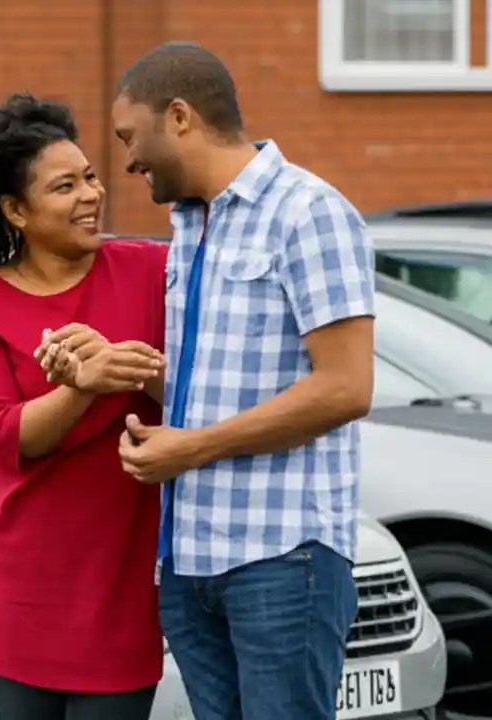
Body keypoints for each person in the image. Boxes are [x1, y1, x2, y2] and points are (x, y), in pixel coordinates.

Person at [109, 42, 376, 720]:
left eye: (128, 136)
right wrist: (119, 369)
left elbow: (346, 387)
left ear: (178, 117)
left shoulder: (307, 212)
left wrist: (189, 447)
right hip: (191, 562)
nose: (127, 159)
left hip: (282, 558)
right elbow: (218, 387)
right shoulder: (191, 227)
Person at [0, 92, 170, 720]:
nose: (91, 195)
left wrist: (136, 370)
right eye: (65, 186)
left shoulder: (153, 271)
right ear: (15, 210)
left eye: (90, 176)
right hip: (23, 582)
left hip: (121, 584)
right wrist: (82, 383)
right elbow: (5, 438)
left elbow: (204, 395)